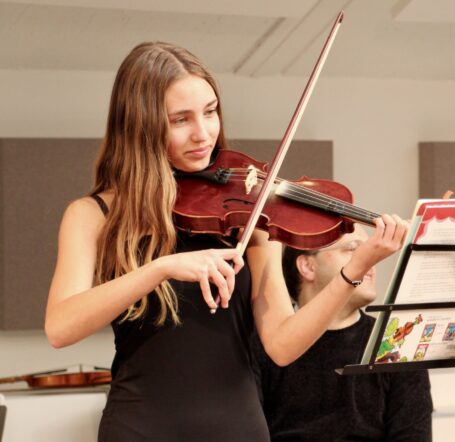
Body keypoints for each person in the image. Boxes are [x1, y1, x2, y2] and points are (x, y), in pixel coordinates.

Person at [44, 41, 408, 441]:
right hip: (140, 429)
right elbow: (60, 328)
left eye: (210, 111)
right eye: (180, 119)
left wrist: (353, 269)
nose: (203, 133)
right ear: (141, 125)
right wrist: (160, 268)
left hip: (237, 430)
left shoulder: (250, 213)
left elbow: (282, 345)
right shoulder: (93, 215)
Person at [251, 226, 433, 441]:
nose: (370, 263)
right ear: (307, 266)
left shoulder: (396, 342)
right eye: (352, 249)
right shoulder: (263, 344)